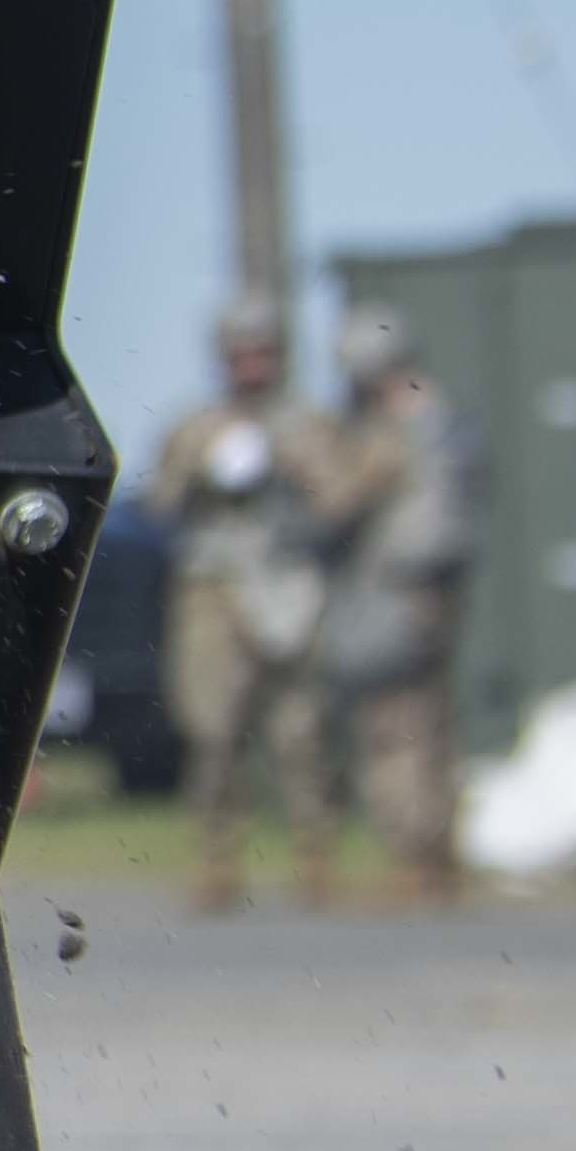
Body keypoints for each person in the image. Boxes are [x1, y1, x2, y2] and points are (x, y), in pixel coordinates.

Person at [167, 295, 396, 915]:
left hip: (289, 589)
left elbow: (345, 499)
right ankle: (215, 864)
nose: (252, 367)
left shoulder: (309, 424)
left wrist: (297, 466)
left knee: (303, 733)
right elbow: (159, 500)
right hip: (214, 590)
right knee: (214, 732)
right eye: (240, 355)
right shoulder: (198, 425)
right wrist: (202, 464)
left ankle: (315, 862)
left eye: (263, 353)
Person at [331, 307, 481, 899]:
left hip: (397, 589)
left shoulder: (400, 426)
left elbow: (345, 500)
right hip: (429, 589)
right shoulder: (443, 418)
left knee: (394, 727)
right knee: (428, 721)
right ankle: (437, 854)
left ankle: (415, 856)